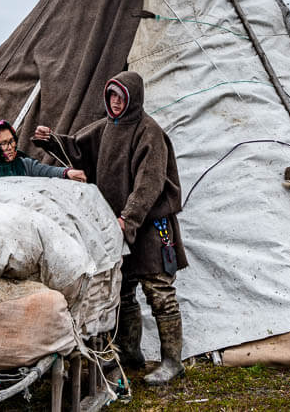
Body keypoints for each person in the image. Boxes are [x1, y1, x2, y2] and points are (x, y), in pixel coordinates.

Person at [33, 71, 187, 385]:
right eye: (112, 96)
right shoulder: (105, 128)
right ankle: (131, 354)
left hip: (148, 228)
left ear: (133, 98)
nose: (115, 103)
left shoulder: (149, 133)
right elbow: (77, 149)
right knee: (123, 291)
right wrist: (51, 140)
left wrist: (127, 220)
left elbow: (149, 185)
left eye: (121, 97)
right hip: (116, 227)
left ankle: (173, 362)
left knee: (159, 292)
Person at [0, 120, 87, 184]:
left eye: (12, 141)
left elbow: (43, 170)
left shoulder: (22, 163)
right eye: (3, 143)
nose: (10, 147)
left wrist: (67, 173)